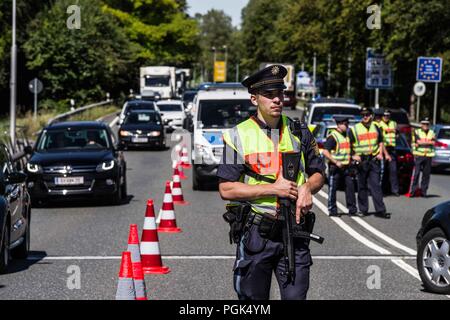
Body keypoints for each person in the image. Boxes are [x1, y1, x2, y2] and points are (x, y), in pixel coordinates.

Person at [217, 65, 325, 300]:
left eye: (280, 93)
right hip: (258, 234)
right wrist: (273, 188)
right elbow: (226, 188)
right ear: (254, 98)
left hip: (295, 232)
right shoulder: (237, 135)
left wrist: (308, 187)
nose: (277, 99)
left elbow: (319, 172)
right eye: (269, 95)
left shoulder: (300, 130)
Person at [349, 107, 389, 218]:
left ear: (371, 115)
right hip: (361, 161)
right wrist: (353, 155)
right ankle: (363, 210)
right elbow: (349, 144)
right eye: (362, 115)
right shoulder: (355, 129)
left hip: (373, 160)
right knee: (362, 186)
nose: (365, 117)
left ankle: (380, 210)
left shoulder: (376, 127)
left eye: (367, 114)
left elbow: (380, 141)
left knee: (376, 185)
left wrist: (381, 153)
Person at [322, 115, 357, 216]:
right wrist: (336, 161)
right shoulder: (333, 136)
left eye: (347, 124)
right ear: (339, 124)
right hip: (335, 167)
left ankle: (352, 210)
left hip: (347, 167)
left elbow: (349, 149)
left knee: (350, 188)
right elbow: (325, 152)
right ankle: (332, 210)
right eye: (345, 124)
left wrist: (354, 156)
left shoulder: (347, 135)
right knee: (333, 189)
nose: (347, 126)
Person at [408, 118, 436, 198]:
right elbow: (417, 142)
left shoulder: (432, 132)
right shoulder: (417, 132)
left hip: (428, 155)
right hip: (418, 155)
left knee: (426, 175)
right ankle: (413, 191)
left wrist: (422, 143)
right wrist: (428, 142)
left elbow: (433, 142)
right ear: (421, 124)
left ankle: (424, 192)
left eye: (427, 124)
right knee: (416, 174)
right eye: (424, 124)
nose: (425, 125)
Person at [378, 110, 399, 196]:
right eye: (384, 115)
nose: (386, 117)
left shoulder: (394, 123)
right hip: (383, 149)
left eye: (388, 115)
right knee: (382, 171)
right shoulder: (379, 124)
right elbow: (380, 139)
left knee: (393, 170)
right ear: (382, 116)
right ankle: (380, 190)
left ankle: (394, 190)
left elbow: (397, 134)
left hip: (392, 149)